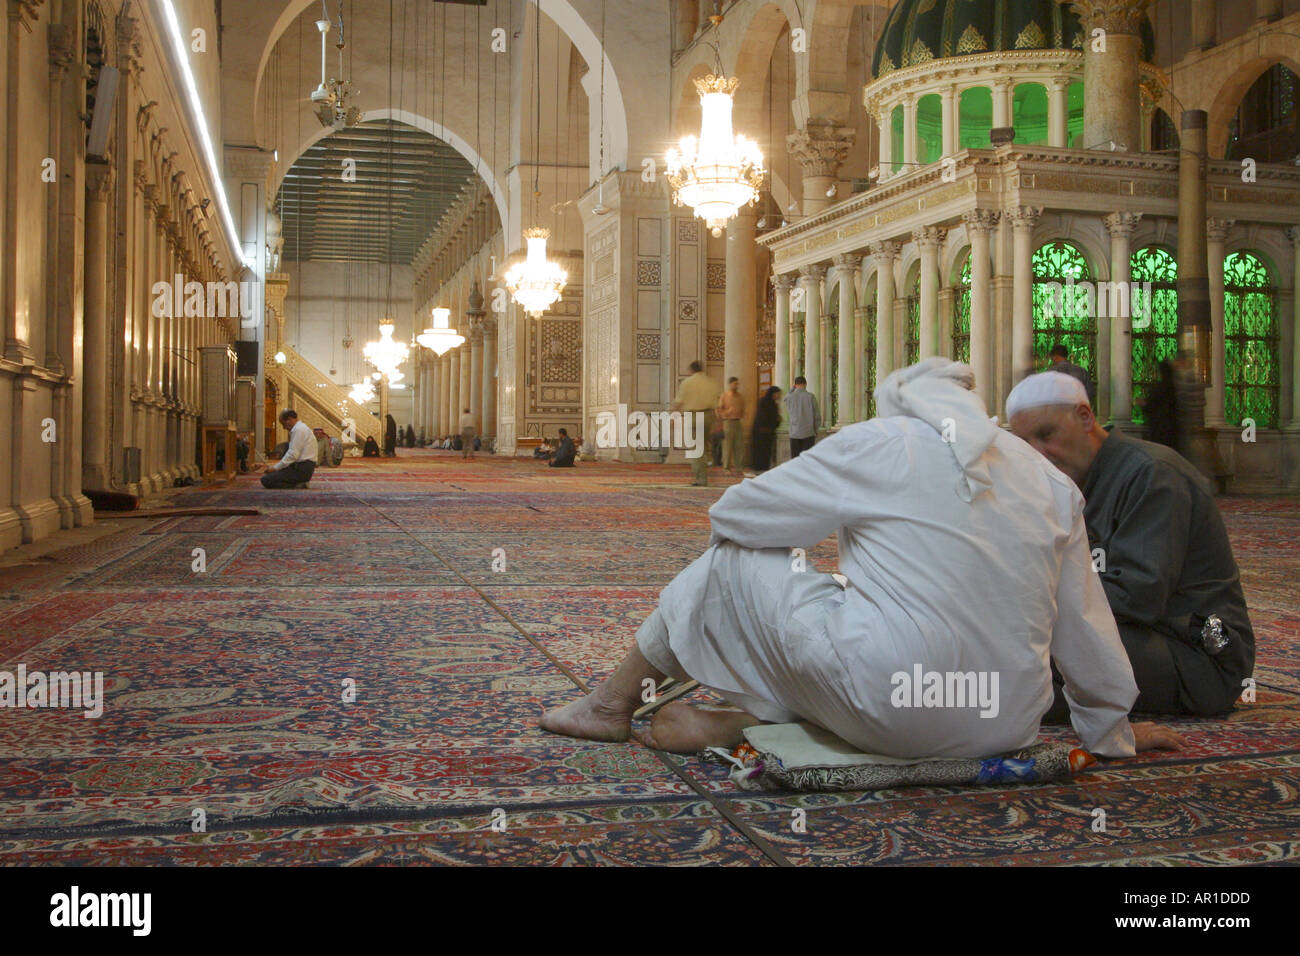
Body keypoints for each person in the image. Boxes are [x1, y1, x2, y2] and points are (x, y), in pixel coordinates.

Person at [541, 359, 1186, 761]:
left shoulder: (885, 441)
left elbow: (735, 517)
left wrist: (824, 533)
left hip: (890, 704)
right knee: (864, 623)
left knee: (732, 561)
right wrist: (1111, 732)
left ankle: (609, 706)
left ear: (899, 404)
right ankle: (754, 718)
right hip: (1007, 724)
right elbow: (1085, 624)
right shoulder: (1042, 476)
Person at [1006, 371, 1254, 718]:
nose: (1038, 454)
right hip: (1130, 636)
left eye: (1046, 435)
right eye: (1025, 444)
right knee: (998, 648)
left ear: (1085, 417)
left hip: (1197, 657)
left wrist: (1029, 606)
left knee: (1020, 658)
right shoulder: (1067, 483)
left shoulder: (1152, 473)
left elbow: (1138, 595)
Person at [671, 360, 721, 487]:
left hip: (694, 417)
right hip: (709, 416)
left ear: (691, 370)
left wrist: (671, 416)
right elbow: (718, 404)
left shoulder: (687, 383)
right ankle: (705, 467)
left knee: (695, 448)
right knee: (704, 447)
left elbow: (679, 402)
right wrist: (719, 422)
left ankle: (701, 478)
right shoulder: (712, 383)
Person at [258, 409, 317, 489]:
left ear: (289, 420)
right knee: (272, 475)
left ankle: (298, 484)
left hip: (301, 470)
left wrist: (275, 468)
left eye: (283, 424)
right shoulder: (300, 428)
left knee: (266, 480)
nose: (284, 427)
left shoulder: (299, 430)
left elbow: (293, 455)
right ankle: (298, 482)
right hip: (300, 467)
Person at [1140, 358, 1181, 451]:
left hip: (1159, 429)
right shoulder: (1173, 386)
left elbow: (1151, 406)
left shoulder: (1159, 388)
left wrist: (1144, 403)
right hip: (1172, 430)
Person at [784, 376, 819, 458]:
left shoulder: (790, 397)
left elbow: (785, 398)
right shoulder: (811, 397)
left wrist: (793, 389)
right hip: (808, 433)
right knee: (807, 460)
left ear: (795, 385)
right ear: (806, 384)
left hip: (794, 433)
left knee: (795, 460)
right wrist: (816, 429)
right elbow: (817, 415)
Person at [716, 377, 746, 474]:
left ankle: (739, 467)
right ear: (730, 384)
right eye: (734, 384)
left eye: (737, 384)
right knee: (727, 446)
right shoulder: (724, 396)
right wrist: (727, 412)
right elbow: (719, 410)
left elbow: (743, 410)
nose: (736, 386)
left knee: (739, 446)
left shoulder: (740, 397)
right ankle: (726, 467)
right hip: (727, 422)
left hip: (738, 422)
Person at [751, 386, 782, 474]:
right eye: (777, 394)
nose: (778, 396)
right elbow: (763, 417)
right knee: (760, 452)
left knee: (766, 452)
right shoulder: (764, 402)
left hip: (767, 433)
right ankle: (759, 469)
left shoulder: (773, 404)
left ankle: (763, 468)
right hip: (761, 432)